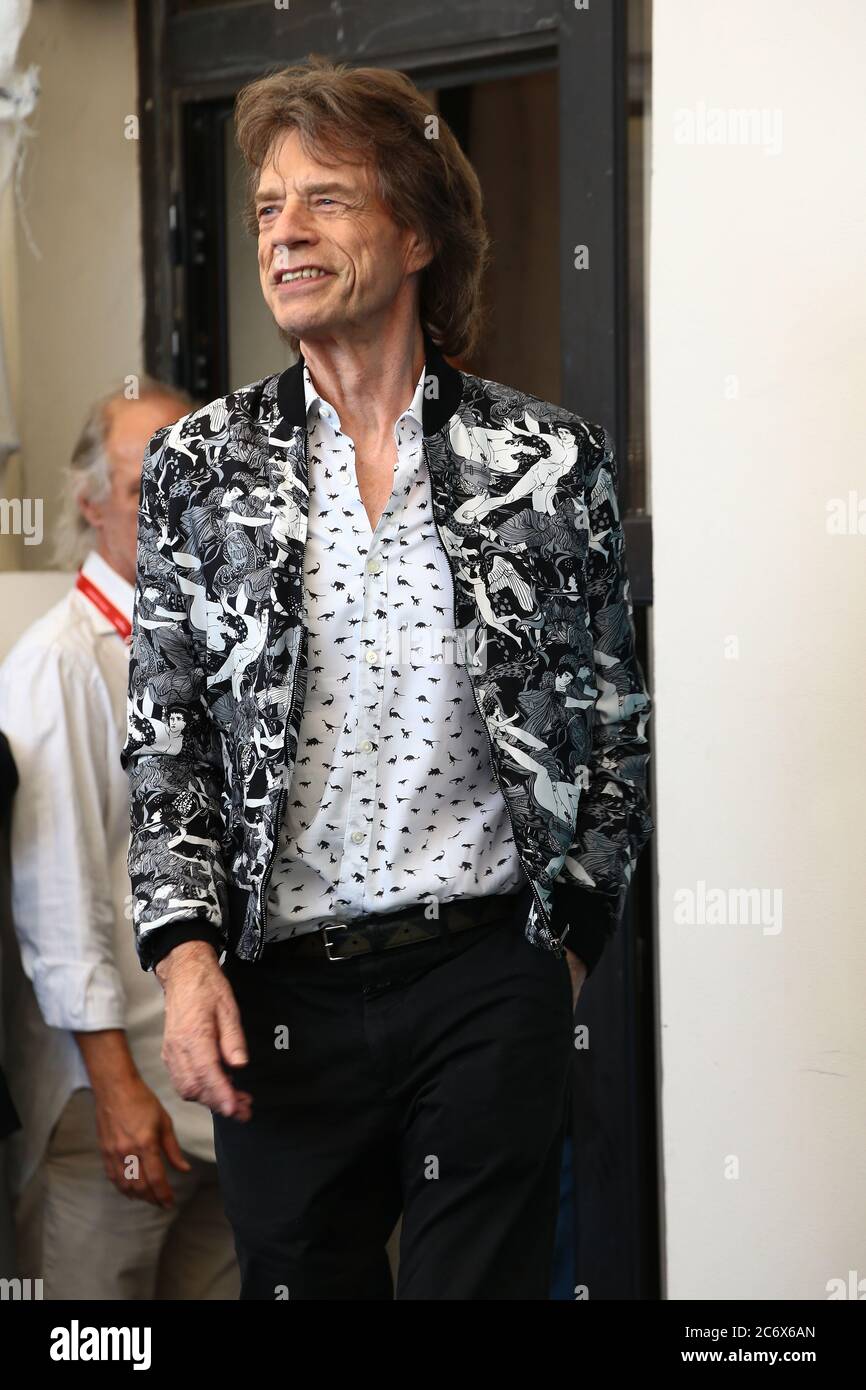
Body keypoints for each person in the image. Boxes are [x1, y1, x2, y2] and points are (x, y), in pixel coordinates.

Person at [121, 58, 654, 1301]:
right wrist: (184, 955)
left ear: (415, 231)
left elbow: (612, 730)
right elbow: (167, 739)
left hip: (480, 972)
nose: (285, 234)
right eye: (265, 207)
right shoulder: (200, 468)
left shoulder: (542, 461)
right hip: (278, 988)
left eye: (325, 200)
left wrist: (558, 953)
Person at [0, 381, 239, 1299]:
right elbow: (58, 905)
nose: (179, 507)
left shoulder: (224, 646)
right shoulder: (62, 662)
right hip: (117, 1102)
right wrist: (117, 1092)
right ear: (90, 503)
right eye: (149, 488)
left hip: (219, 1096)